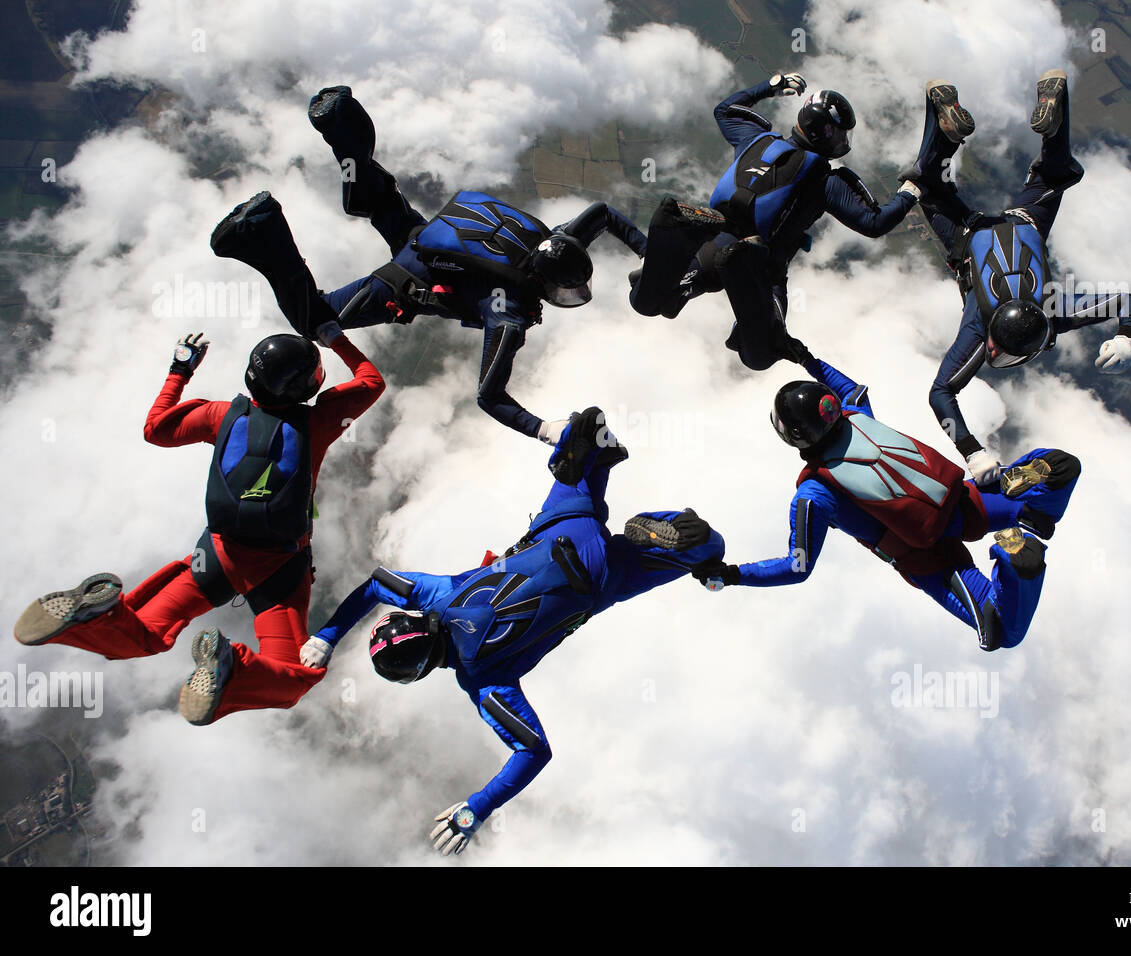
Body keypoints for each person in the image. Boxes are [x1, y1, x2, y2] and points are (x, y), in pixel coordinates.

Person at [300, 408, 724, 854]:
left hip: (598, 578)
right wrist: (326, 636)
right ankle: (590, 453)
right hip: (561, 531)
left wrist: (476, 809)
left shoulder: (485, 682)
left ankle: (676, 541)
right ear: (416, 623)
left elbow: (533, 752)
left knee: (710, 547)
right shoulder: (435, 597)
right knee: (585, 450)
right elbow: (376, 583)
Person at [211, 86, 647, 443]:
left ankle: (341, 123)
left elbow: (604, 213)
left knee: (378, 201)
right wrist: (545, 430)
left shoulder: (554, 238)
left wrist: (646, 251)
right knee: (315, 318)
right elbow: (489, 396)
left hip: (430, 237)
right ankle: (260, 230)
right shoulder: (508, 314)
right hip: (408, 276)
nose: (562, 299)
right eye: (563, 293)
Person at [13, 328, 385, 724]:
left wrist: (180, 370)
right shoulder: (319, 421)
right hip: (278, 571)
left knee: (142, 635)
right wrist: (332, 336)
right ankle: (228, 669)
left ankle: (93, 614)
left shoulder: (220, 415)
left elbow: (155, 430)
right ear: (305, 385)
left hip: (216, 557)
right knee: (293, 681)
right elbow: (371, 381)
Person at [692, 355, 1080, 652]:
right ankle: (1029, 506)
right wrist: (803, 355)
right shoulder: (856, 415)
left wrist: (730, 575)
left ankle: (1015, 561)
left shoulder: (813, 495)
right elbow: (852, 389)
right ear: (829, 409)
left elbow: (796, 567)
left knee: (999, 631)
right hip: (962, 502)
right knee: (1062, 470)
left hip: (927, 558)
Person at [899, 72, 1131, 484]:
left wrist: (1128, 338)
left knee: (1057, 174)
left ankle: (1056, 103)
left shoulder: (1054, 313)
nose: (991, 352)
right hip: (970, 237)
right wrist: (971, 452)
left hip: (1023, 223)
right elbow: (939, 395)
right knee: (926, 186)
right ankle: (942, 125)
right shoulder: (979, 329)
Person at [630, 72, 920, 370]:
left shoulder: (755, 139)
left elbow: (724, 110)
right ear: (825, 133)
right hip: (763, 268)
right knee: (761, 354)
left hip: (712, 239)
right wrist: (911, 192)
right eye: (841, 133)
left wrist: (770, 87)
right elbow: (875, 223)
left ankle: (671, 232)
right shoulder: (824, 181)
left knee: (645, 302)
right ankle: (742, 292)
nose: (845, 140)